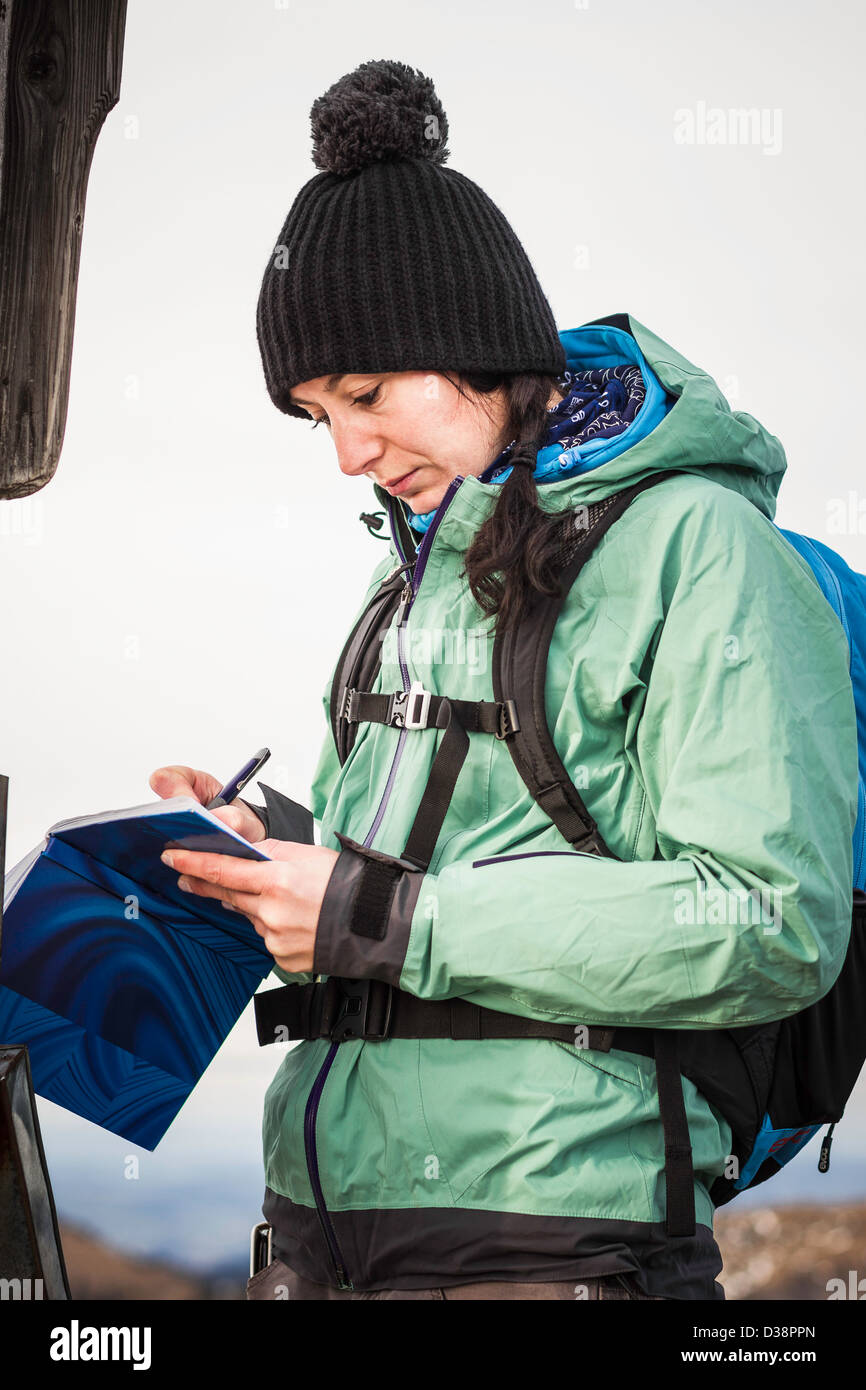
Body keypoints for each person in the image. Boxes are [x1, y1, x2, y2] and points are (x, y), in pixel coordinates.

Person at [150, 59, 858, 1301]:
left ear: (474, 343)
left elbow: (767, 921)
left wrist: (383, 916)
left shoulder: (698, 546)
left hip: (553, 1242)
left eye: (364, 395)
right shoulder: (406, 582)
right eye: (317, 416)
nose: (348, 455)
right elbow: (399, 898)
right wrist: (269, 858)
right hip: (310, 1233)